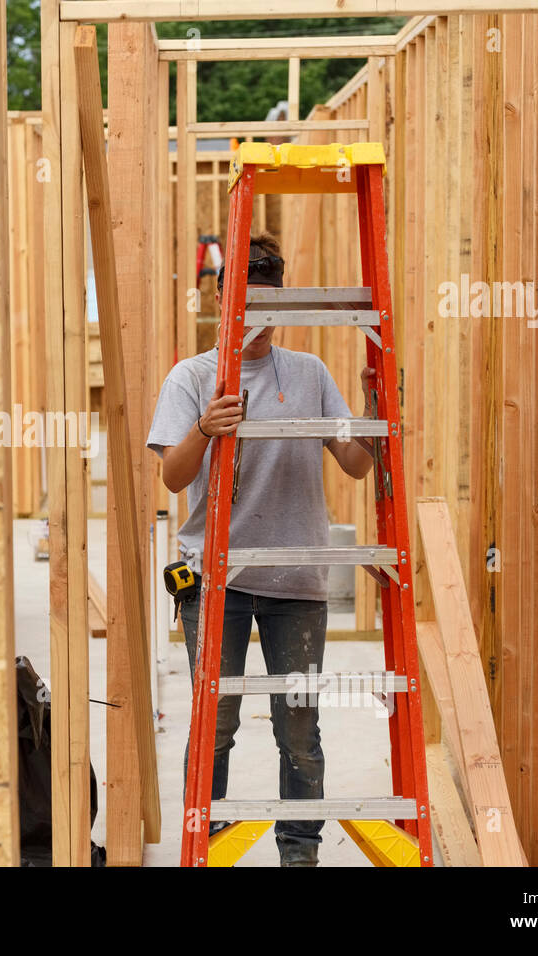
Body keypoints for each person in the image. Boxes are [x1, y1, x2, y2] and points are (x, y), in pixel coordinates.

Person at [145, 231, 376, 867]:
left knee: (298, 728)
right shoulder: (192, 377)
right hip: (215, 578)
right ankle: (208, 845)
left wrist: (380, 405)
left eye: (272, 308)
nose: (260, 323)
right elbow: (173, 477)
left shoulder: (310, 374)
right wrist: (204, 429)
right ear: (223, 305)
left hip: (297, 579)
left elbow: (355, 463)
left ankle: (299, 852)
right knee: (215, 724)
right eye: (248, 308)